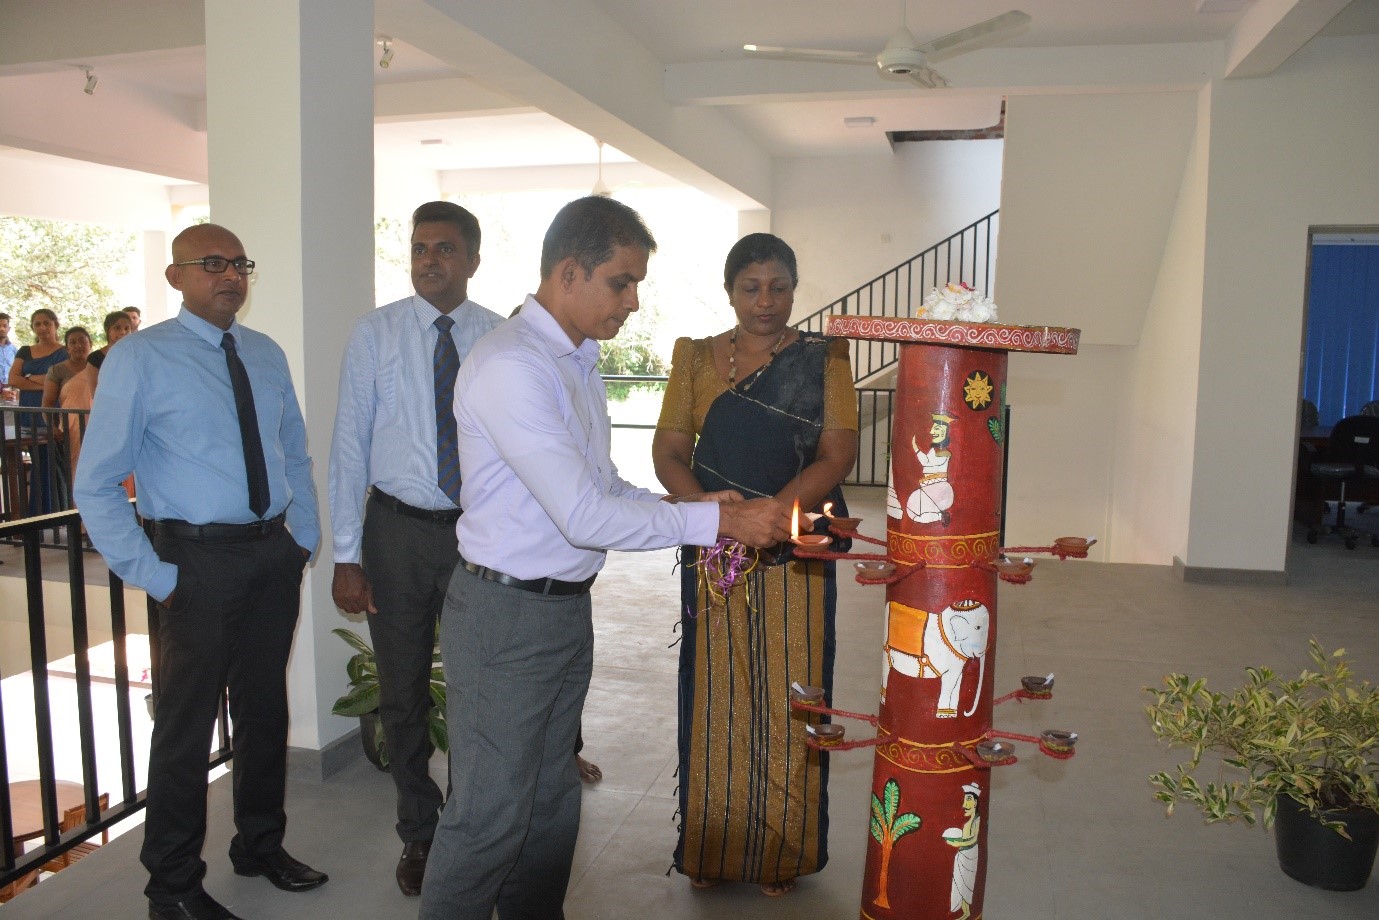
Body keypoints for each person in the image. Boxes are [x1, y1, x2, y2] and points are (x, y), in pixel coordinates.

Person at [417, 196, 792, 920]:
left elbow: (601, 485)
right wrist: (717, 521)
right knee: (489, 815)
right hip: (504, 618)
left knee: (551, 801)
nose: (633, 301)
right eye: (622, 282)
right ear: (569, 272)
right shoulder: (512, 366)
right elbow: (584, 515)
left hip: (560, 609)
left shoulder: (575, 360)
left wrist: (688, 503)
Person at [74, 224, 325, 920]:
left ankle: (260, 845)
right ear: (175, 276)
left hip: (271, 556)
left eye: (239, 263)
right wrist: (156, 576)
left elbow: (293, 451)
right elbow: (95, 482)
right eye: (212, 264)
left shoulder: (265, 353)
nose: (230, 276)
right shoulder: (140, 357)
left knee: (263, 710)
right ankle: (173, 887)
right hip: (195, 564)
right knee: (185, 731)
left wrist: (302, 538)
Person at [652, 232, 858, 897]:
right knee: (715, 694)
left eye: (779, 287)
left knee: (789, 691)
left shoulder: (825, 358)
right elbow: (668, 450)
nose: (765, 301)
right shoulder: (692, 357)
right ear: (729, 291)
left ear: (794, 289)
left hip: (794, 548)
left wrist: (772, 514)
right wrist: (713, 518)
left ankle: (780, 854)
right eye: (750, 287)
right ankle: (710, 849)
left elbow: (837, 453)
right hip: (713, 545)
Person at [329, 201, 503, 897]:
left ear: (473, 260)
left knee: (477, 689)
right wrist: (347, 555)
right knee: (401, 692)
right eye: (419, 248)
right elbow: (348, 445)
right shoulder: (375, 333)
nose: (430, 260)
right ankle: (420, 833)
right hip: (395, 533)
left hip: (477, 532)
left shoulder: (499, 337)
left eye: (445, 248)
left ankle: (468, 828)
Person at [8, 308, 68, 513]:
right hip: (29, 415)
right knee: (38, 462)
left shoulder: (64, 351)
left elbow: (61, 380)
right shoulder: (25, 351)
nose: (42, 328)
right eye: (37, 324)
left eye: (46, 323)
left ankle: (58, 510)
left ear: (55, 325)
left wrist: (29, 377)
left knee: (55, 462)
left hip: (53, 414)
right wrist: (46, 382)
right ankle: (38, 512)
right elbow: (13, 379)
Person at [42, 326, 97, 476]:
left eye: (82, 341)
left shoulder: (100, 367)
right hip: (71, 429)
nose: (78, 345)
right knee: (75, 472)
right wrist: (52, 427)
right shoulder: (57, 370)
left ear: (90, 344)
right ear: (67, 348)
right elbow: (47, 403)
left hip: (98, 425)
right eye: (73, 342)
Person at [0, 312, 17, 388]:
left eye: (4, 326)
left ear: (9, 329)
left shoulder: (13, 349)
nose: (2, 329)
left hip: (10, 389)